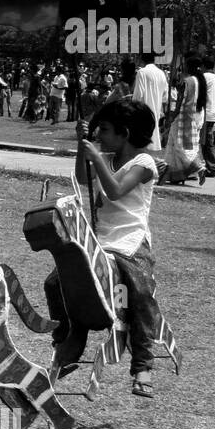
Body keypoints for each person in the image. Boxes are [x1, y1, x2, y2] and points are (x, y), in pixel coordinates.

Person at [48, 99, 164, 398]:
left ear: (124, 133)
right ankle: (69, 338)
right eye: (97, 130)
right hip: (101, 241)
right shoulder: (107, 156)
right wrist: (82, 145)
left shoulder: (144, 163)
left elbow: (114, 190)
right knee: (55, 281)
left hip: (129, 243)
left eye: (106, 130)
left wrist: (96, 157)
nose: (99, 134)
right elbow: (84, 177)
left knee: (139, 293)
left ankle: (142, 364)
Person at [161, 56, 207, 185]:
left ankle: (198, 167)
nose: (183, 67)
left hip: (182, 118)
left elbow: (180, 102)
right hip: (193, 117)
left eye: (185, 64)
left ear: (189, 66)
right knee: (179, 145)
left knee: (178, 146)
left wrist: (172, 118)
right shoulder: (199, 80)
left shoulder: (187, 81)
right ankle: (176, 175)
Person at [131, 51, 167, 151]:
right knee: (150, 142)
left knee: (140, 143)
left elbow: (138, 95)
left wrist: (132, 107)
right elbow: (165, 96)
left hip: (142, 110)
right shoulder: (161, 73)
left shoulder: (142, 72)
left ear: (142, 59)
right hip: (156, 110)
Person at [200, 57, 215, 177]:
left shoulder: (205, 77)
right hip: (212, 113)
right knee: (206, 142)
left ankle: (211, 168)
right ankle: (209, 167)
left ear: (203, 66)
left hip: (205, 114)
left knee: (206, 143)